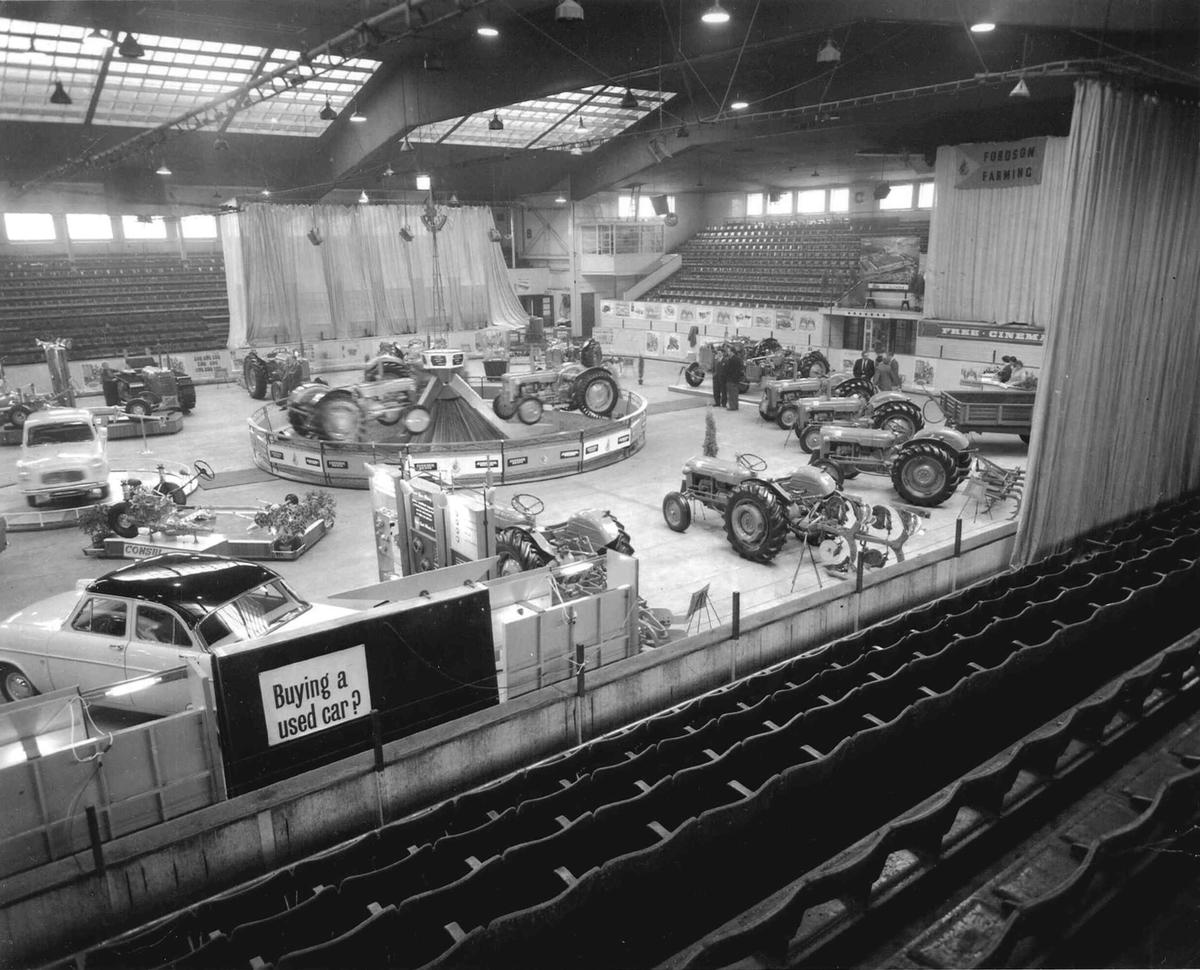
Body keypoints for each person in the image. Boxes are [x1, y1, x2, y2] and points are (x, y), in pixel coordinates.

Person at [724, 346, 745, 411]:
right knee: (735, 394)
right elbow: (741, 369)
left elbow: (729, 370)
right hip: (736, 379)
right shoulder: (738, 359)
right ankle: (736, 406)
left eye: (729, 351)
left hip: (731, 379)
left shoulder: (732, 359)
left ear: (732, 352)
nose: (728, 352)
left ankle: (732, 407)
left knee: (731, 394)